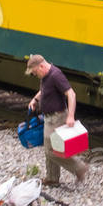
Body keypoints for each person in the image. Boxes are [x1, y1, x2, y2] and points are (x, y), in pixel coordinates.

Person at [25, 54, 88, 187]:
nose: (36, 75)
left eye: (35, 72)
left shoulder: (55, 75)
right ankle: (52, 178)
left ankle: (79, 167)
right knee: (50, 148)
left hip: (57, 117)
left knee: (52, 150)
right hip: (49, 117)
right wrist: (35, 100)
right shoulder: (46, 76)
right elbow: (44, 90)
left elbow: (71, 94)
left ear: (41, 66)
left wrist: (71, 116)